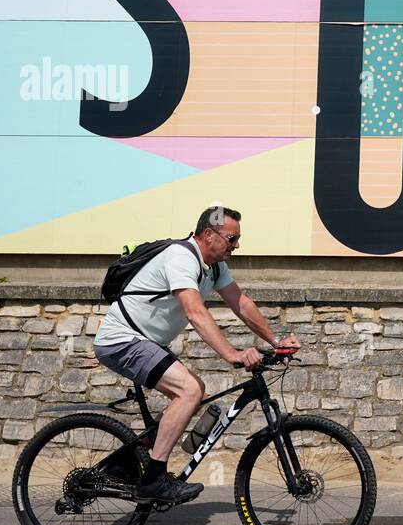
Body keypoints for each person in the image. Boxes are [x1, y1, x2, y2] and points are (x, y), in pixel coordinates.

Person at [92, 206, 301, 506]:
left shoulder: (214, 267)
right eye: (232, 238)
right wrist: (232, 354)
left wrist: (276, 340)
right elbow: (195, 311)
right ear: (208, 234)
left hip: (147, 341)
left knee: (191, 393)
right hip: (122, 339)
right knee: (189, 390)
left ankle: (126, 465)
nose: (237, 245)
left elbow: (240, 303)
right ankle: (153, 480)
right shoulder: (180, 257)